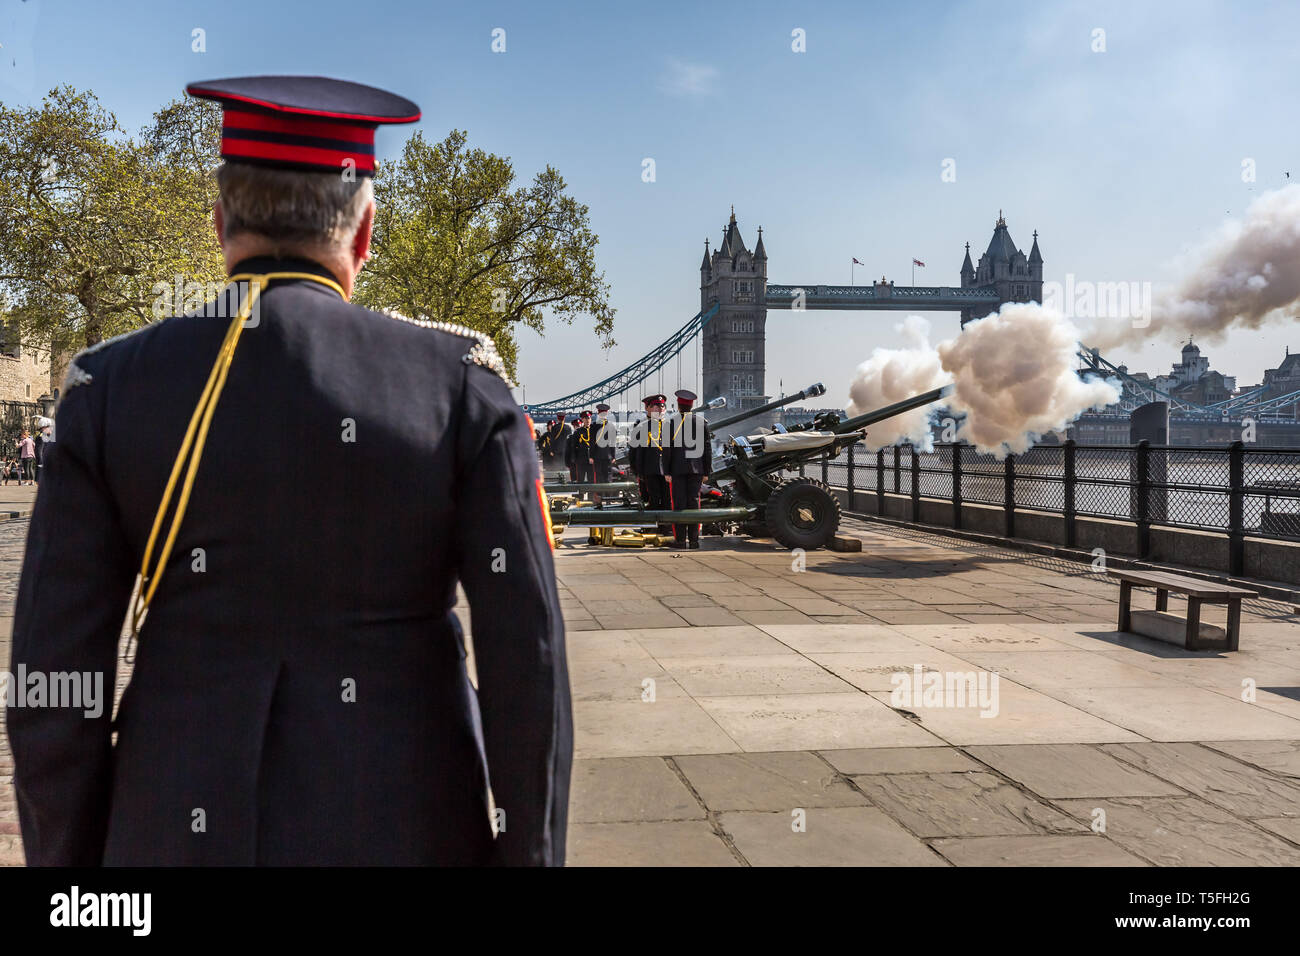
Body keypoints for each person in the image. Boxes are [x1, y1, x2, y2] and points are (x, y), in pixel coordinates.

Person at [7, 75, 572, 866]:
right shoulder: (460, 382)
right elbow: (529, 667)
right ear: (364, 233)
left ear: (219, 222)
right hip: (408, 824)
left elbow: (50, 686)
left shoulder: (109, 389)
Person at [667, 389, 712, 549]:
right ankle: (694, 541)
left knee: (678, 505)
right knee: (694, 503)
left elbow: (667, 450)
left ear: (678, 406)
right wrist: (706, 471)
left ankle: (680, 540)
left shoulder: (671, 423)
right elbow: (707, 449)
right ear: (692, 405)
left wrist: (666, 471)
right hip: (696, 470)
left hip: (677, 470)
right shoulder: (701, 423)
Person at [629, 394, 670, 533]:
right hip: (650, 469)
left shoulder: (670, 426)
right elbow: (634, 452)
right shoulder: (641, 427)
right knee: (653, 499)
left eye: (662, 406)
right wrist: (637, 471)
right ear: (649, 408)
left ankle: (666, 527)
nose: (659, 409)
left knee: (667, 500)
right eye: (656, 406)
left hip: (667, 470)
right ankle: (651, 527)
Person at [590, 403, 616, 505]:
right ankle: (605, 499)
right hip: (606, 455)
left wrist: (591, 455)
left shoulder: (594, 426)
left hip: (599, 455)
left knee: (603, 477)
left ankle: (604, 499)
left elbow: (592, 443)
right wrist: (613, 455)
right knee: (605, 477)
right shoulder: (611, 426)